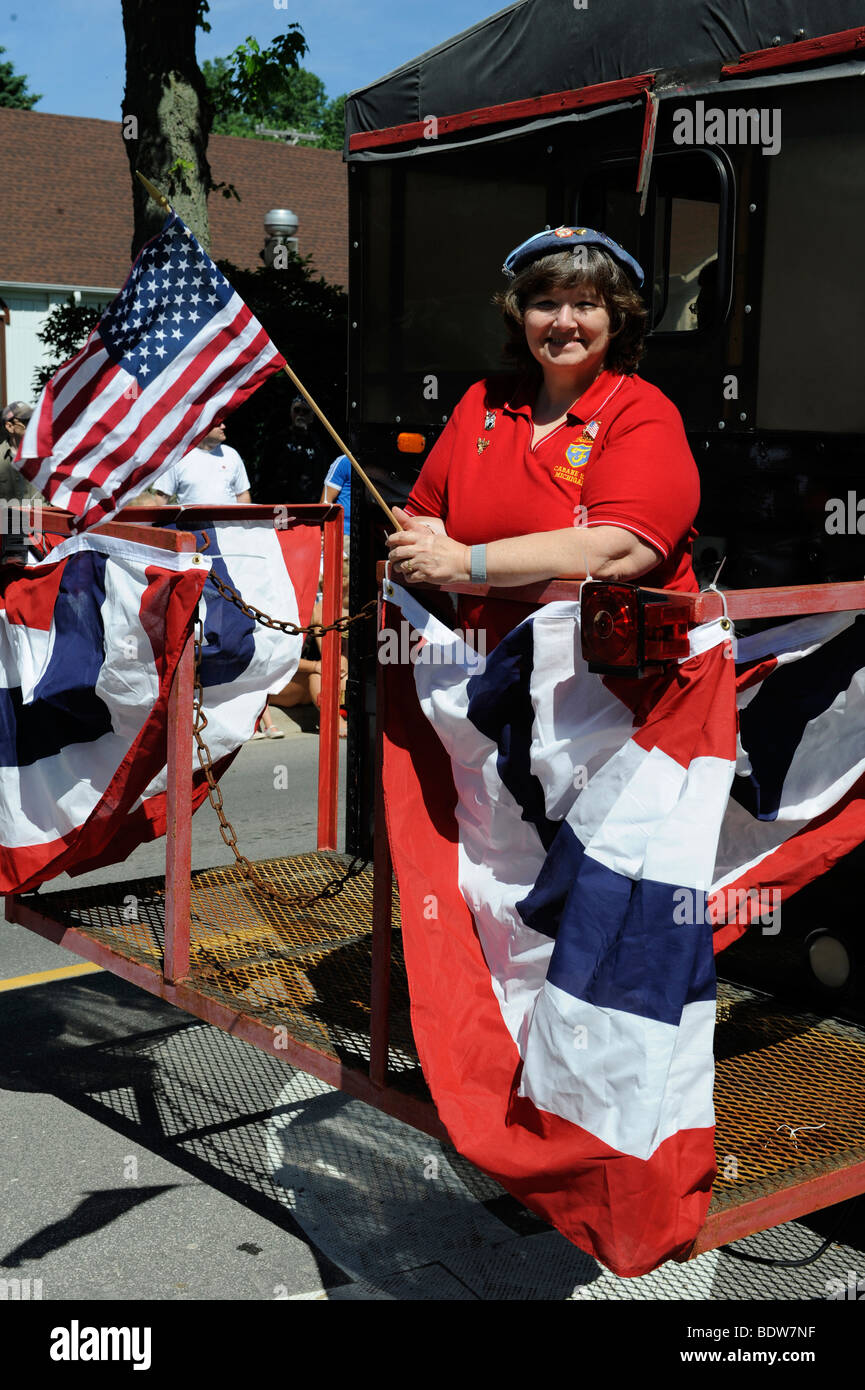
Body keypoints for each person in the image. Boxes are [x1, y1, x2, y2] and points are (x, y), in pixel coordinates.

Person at [386, 226, 700, 649]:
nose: (563, 322)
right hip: (487, 672)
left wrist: (464, 561)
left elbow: (615, 552)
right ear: (522, 316)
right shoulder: (482, 401)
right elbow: (426, 515)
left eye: (586, 305)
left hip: (611, 689)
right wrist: (420, 543)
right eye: (546, 303)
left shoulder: (644, 413)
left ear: (617, 321)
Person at [153, 420, 251, 506]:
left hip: (228, 526)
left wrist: (246, 522)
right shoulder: (177, 457)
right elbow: (162, 497)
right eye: (218, 424)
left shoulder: (231, 454)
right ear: (203, 426)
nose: (223, 426)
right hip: (191, 526)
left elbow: (242, 494)